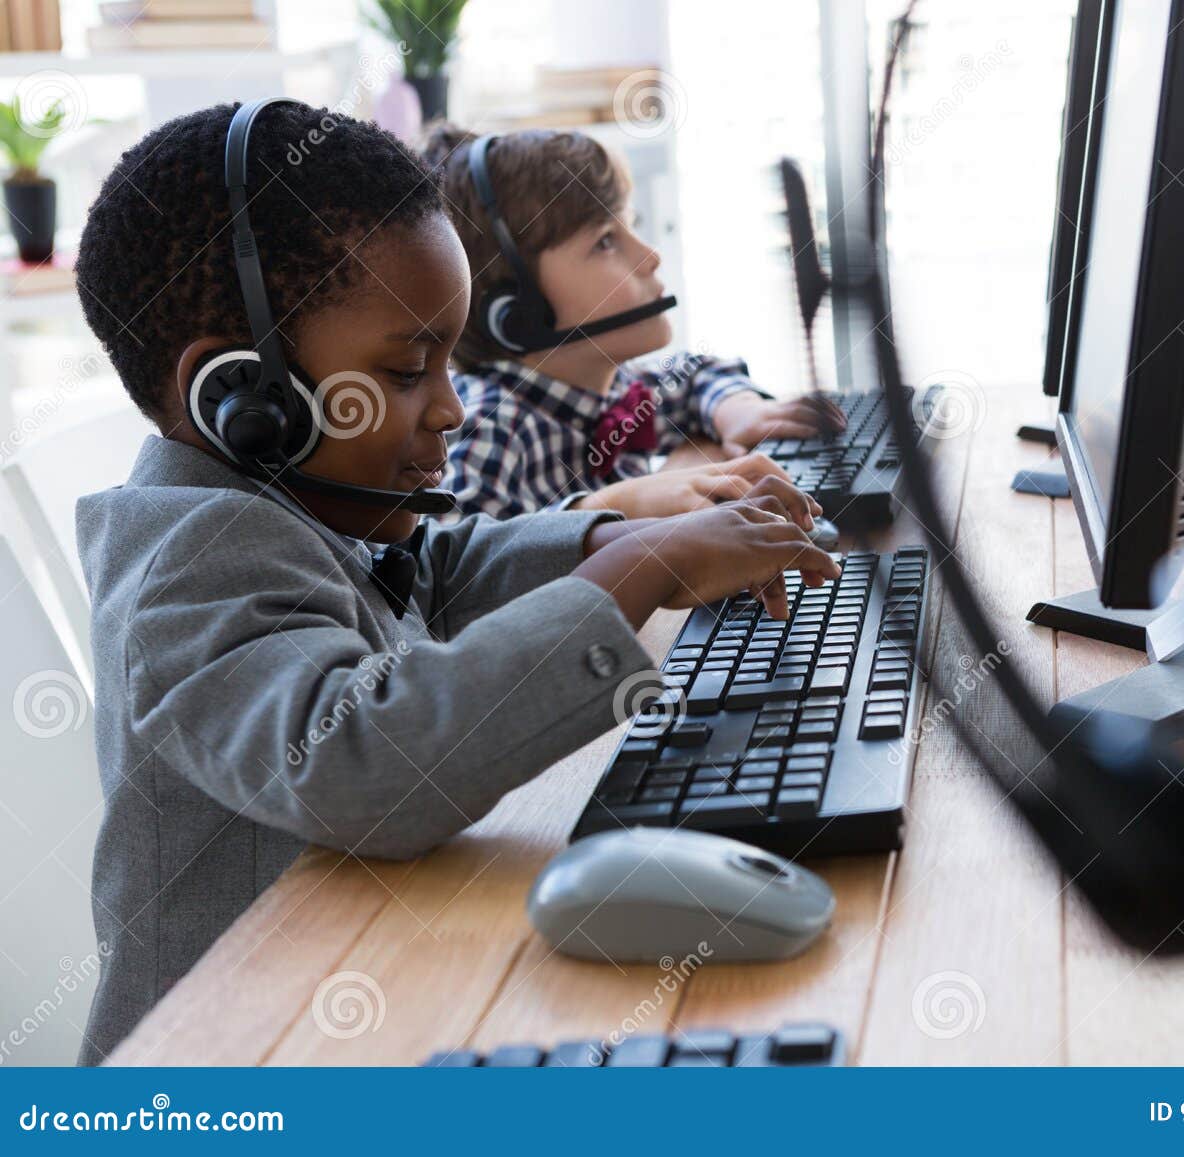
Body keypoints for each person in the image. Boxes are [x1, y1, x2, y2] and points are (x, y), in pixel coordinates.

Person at [68, 101, 837, 1063]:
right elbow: (356, 761)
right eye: (405, 371)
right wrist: (640, 569)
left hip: (358, 990)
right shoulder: (188, 563)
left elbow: (435, 572)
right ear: (240, 395)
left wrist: (629, 533)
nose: (451, 409)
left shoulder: (287, 510)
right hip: (228, 1062)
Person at [419, 123, 843, 520]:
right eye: (605, 241)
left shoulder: (605, 387)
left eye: (631, 224)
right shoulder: (488, 426)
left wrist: (737, 409)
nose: (650, 256)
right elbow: (458, 554)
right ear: (516, 312)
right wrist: (612, 507)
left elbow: (694, 375)